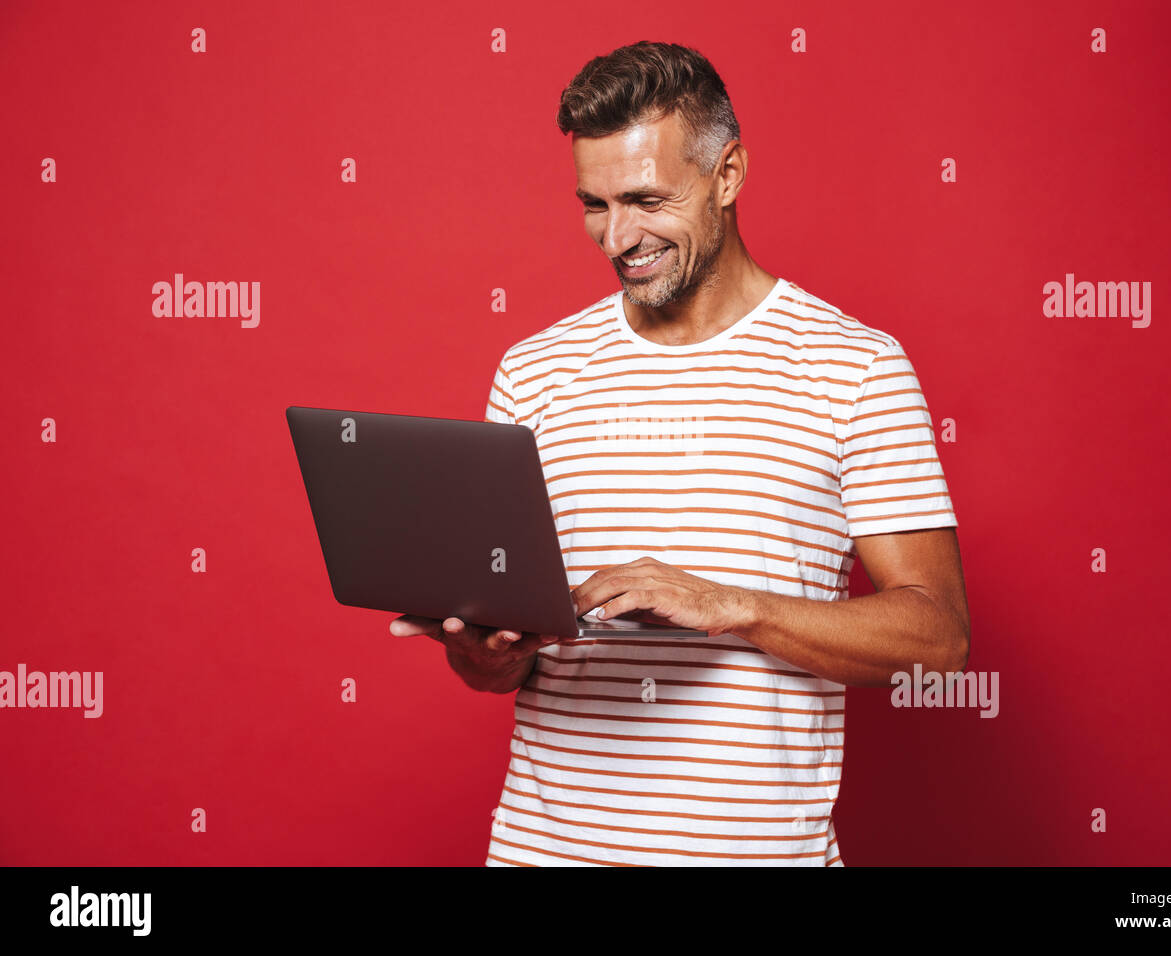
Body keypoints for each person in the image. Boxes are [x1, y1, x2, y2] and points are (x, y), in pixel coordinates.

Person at [390, 40, 970, 866]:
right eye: (594, 204)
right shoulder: (533, 371)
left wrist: (732, 605)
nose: (618, 237)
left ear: (727, 176)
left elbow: (940, 642)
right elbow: (498, 676)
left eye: (646, 199)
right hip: (544, 852)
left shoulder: (856, 369)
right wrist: (483, 654)